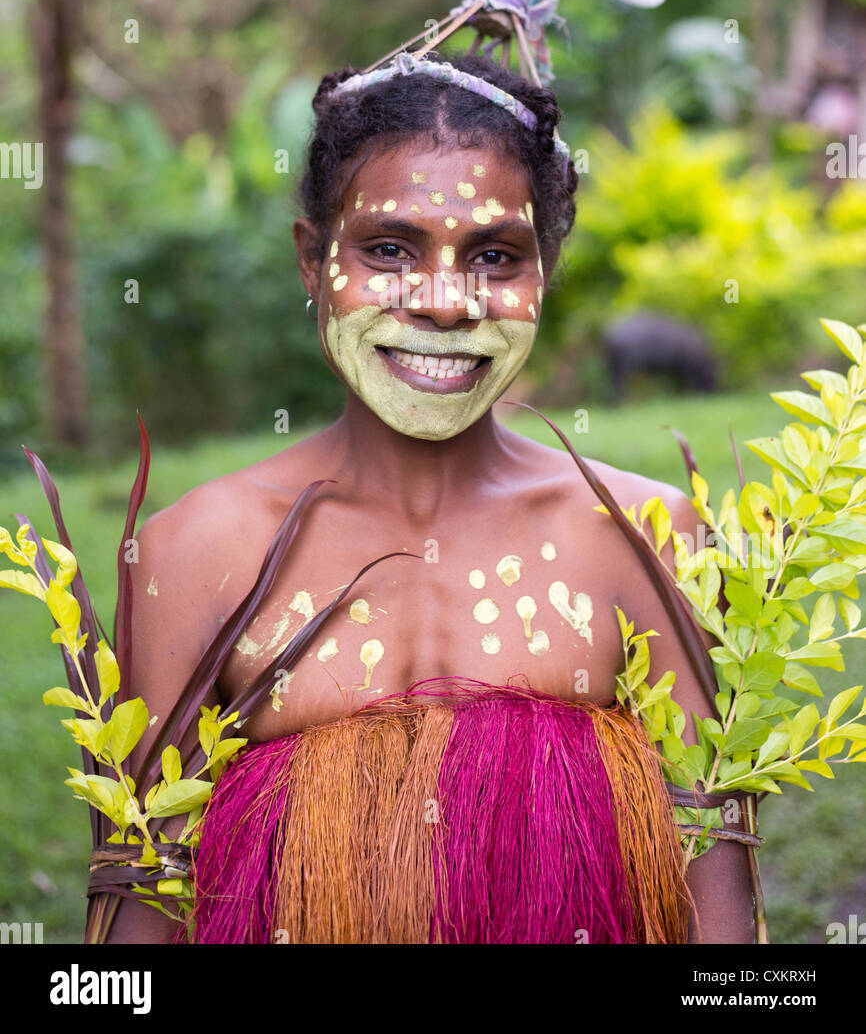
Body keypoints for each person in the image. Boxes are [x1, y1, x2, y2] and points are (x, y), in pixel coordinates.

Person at [105, 50, 754, 944]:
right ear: (310, 260)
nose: (445, 300)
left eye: (495, 255)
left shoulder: (643, 536)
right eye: (388, 249)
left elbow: (718, 897)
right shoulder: (193, 554)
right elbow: (138, 915)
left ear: (545, 270)